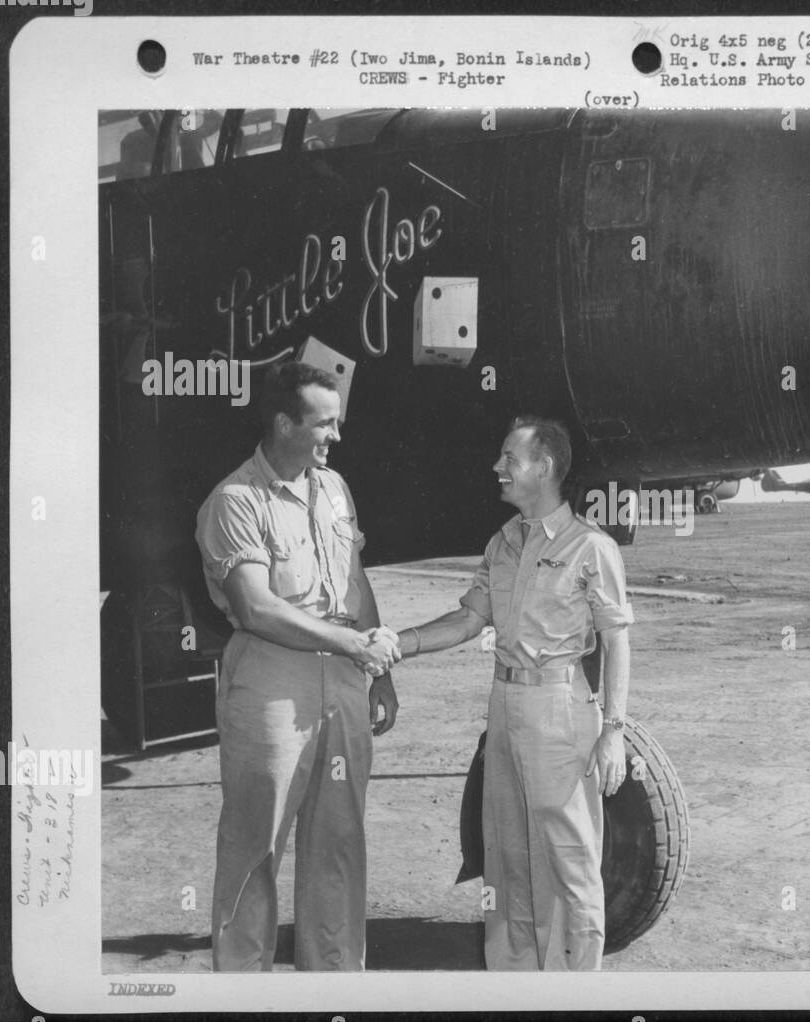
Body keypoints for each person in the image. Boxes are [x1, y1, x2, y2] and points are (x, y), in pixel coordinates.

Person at [396, 415, 633, 971]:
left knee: (568, 858)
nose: (497, 468)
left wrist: (614, 733)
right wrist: (397, 643)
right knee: (507, 855)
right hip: (503, 706)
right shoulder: (502, 544)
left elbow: (616, 642)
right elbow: (465, 620)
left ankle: (573, 995)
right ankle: (513, 982)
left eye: (510, 458)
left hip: (559, 706)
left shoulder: (590, 548)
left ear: (544, 467)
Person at [195, 361, 401, 972]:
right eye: (324, 423)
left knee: (338, 844)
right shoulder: (235, 500)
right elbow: (256, 608)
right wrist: (353, 648)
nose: (335, 435)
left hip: (343, 676)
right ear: (285, 422)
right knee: (255, 847)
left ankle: (333, 994)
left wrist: (380, 672)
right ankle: (242, 996)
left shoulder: (334, 488)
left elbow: (354, 581)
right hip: (271, 680)